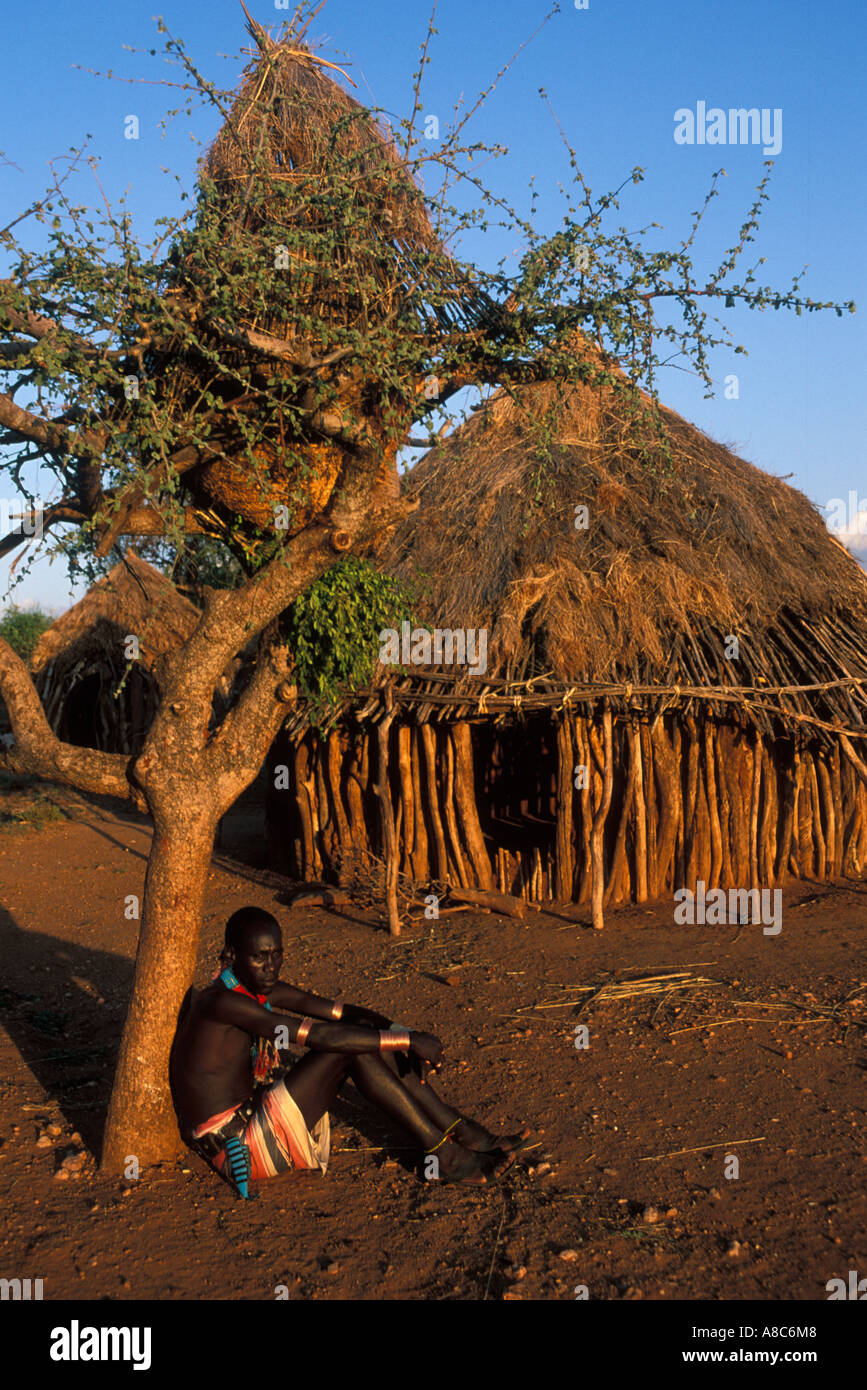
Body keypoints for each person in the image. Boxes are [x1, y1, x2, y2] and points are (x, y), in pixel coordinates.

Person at [170, 905, 530, 1192]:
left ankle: (461, 1132)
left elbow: (338, 1011)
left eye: (277, 954)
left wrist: (400, 1031)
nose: (271, 966)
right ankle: (446, 1156)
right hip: (242, 1149)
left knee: (359, 1033)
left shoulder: (253, 987)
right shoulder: (222, 1002)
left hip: (254, 1118)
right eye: (259, 957)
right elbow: (322, 1036)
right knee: (346, 1046)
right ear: (232, 955)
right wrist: (407, 1041)